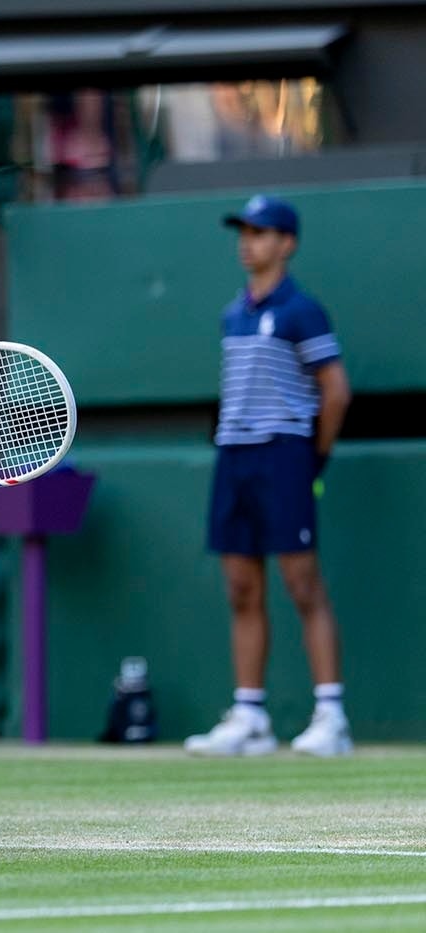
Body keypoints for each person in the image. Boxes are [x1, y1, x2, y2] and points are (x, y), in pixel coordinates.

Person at [185, 194, 354, 758]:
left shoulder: (302, 310)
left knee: (303, 584)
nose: (247, 243)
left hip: (285, 455)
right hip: (234, 456)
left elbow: (335, 392)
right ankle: (250, 717)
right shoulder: (232, 313)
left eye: (260, 233)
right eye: (244, 232)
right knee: (240, 587)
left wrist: (312, 460)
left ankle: (331, 717)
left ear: (287, 244)